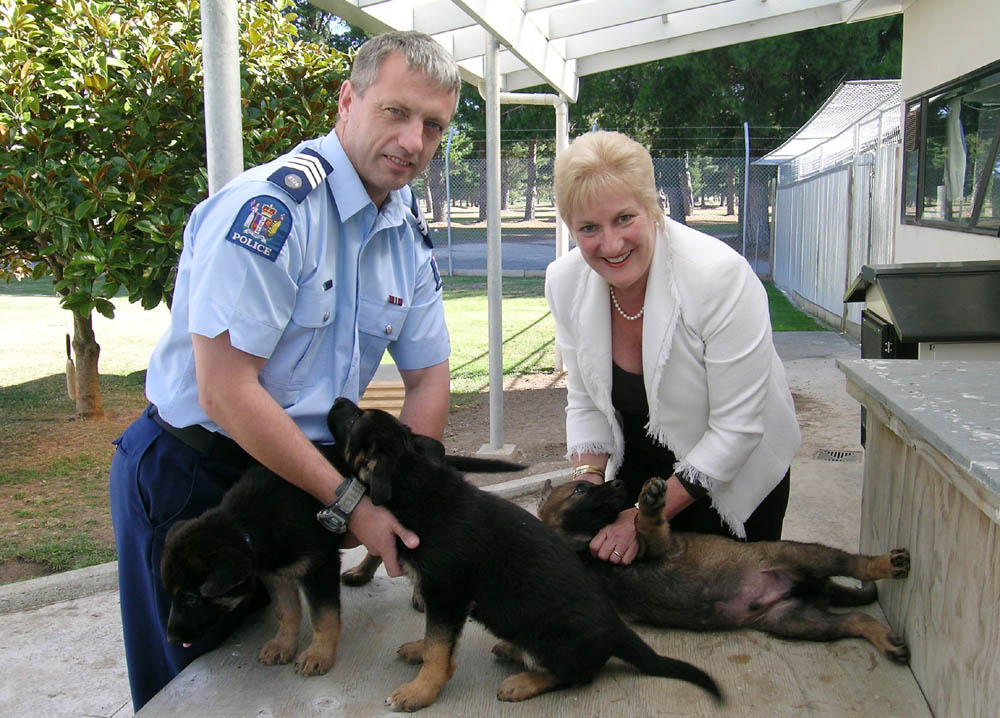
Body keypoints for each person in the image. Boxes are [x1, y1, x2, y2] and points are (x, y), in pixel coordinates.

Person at [108, 31, 462, 710]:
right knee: (196, 683)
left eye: (433, 125)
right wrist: (352, 504)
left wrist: (406, 495)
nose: (414, 142)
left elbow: (428, 377)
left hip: (303, 480)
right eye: (396, 112)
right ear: (347, 100)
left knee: (277, 682)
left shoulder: (404, 226)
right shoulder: (271, 211)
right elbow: (226, 389)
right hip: (200, 474)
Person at [545, 130, 801, 567]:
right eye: (588, 228)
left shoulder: (718, 277)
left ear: (653, 207)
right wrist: (587, 482)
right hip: (641, 472)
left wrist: (641, 520)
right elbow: (585, 399)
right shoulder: (564, 280)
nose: (610, 244)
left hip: (733, 475)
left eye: (625, 218)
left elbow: (737, 430)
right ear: (571, 228)